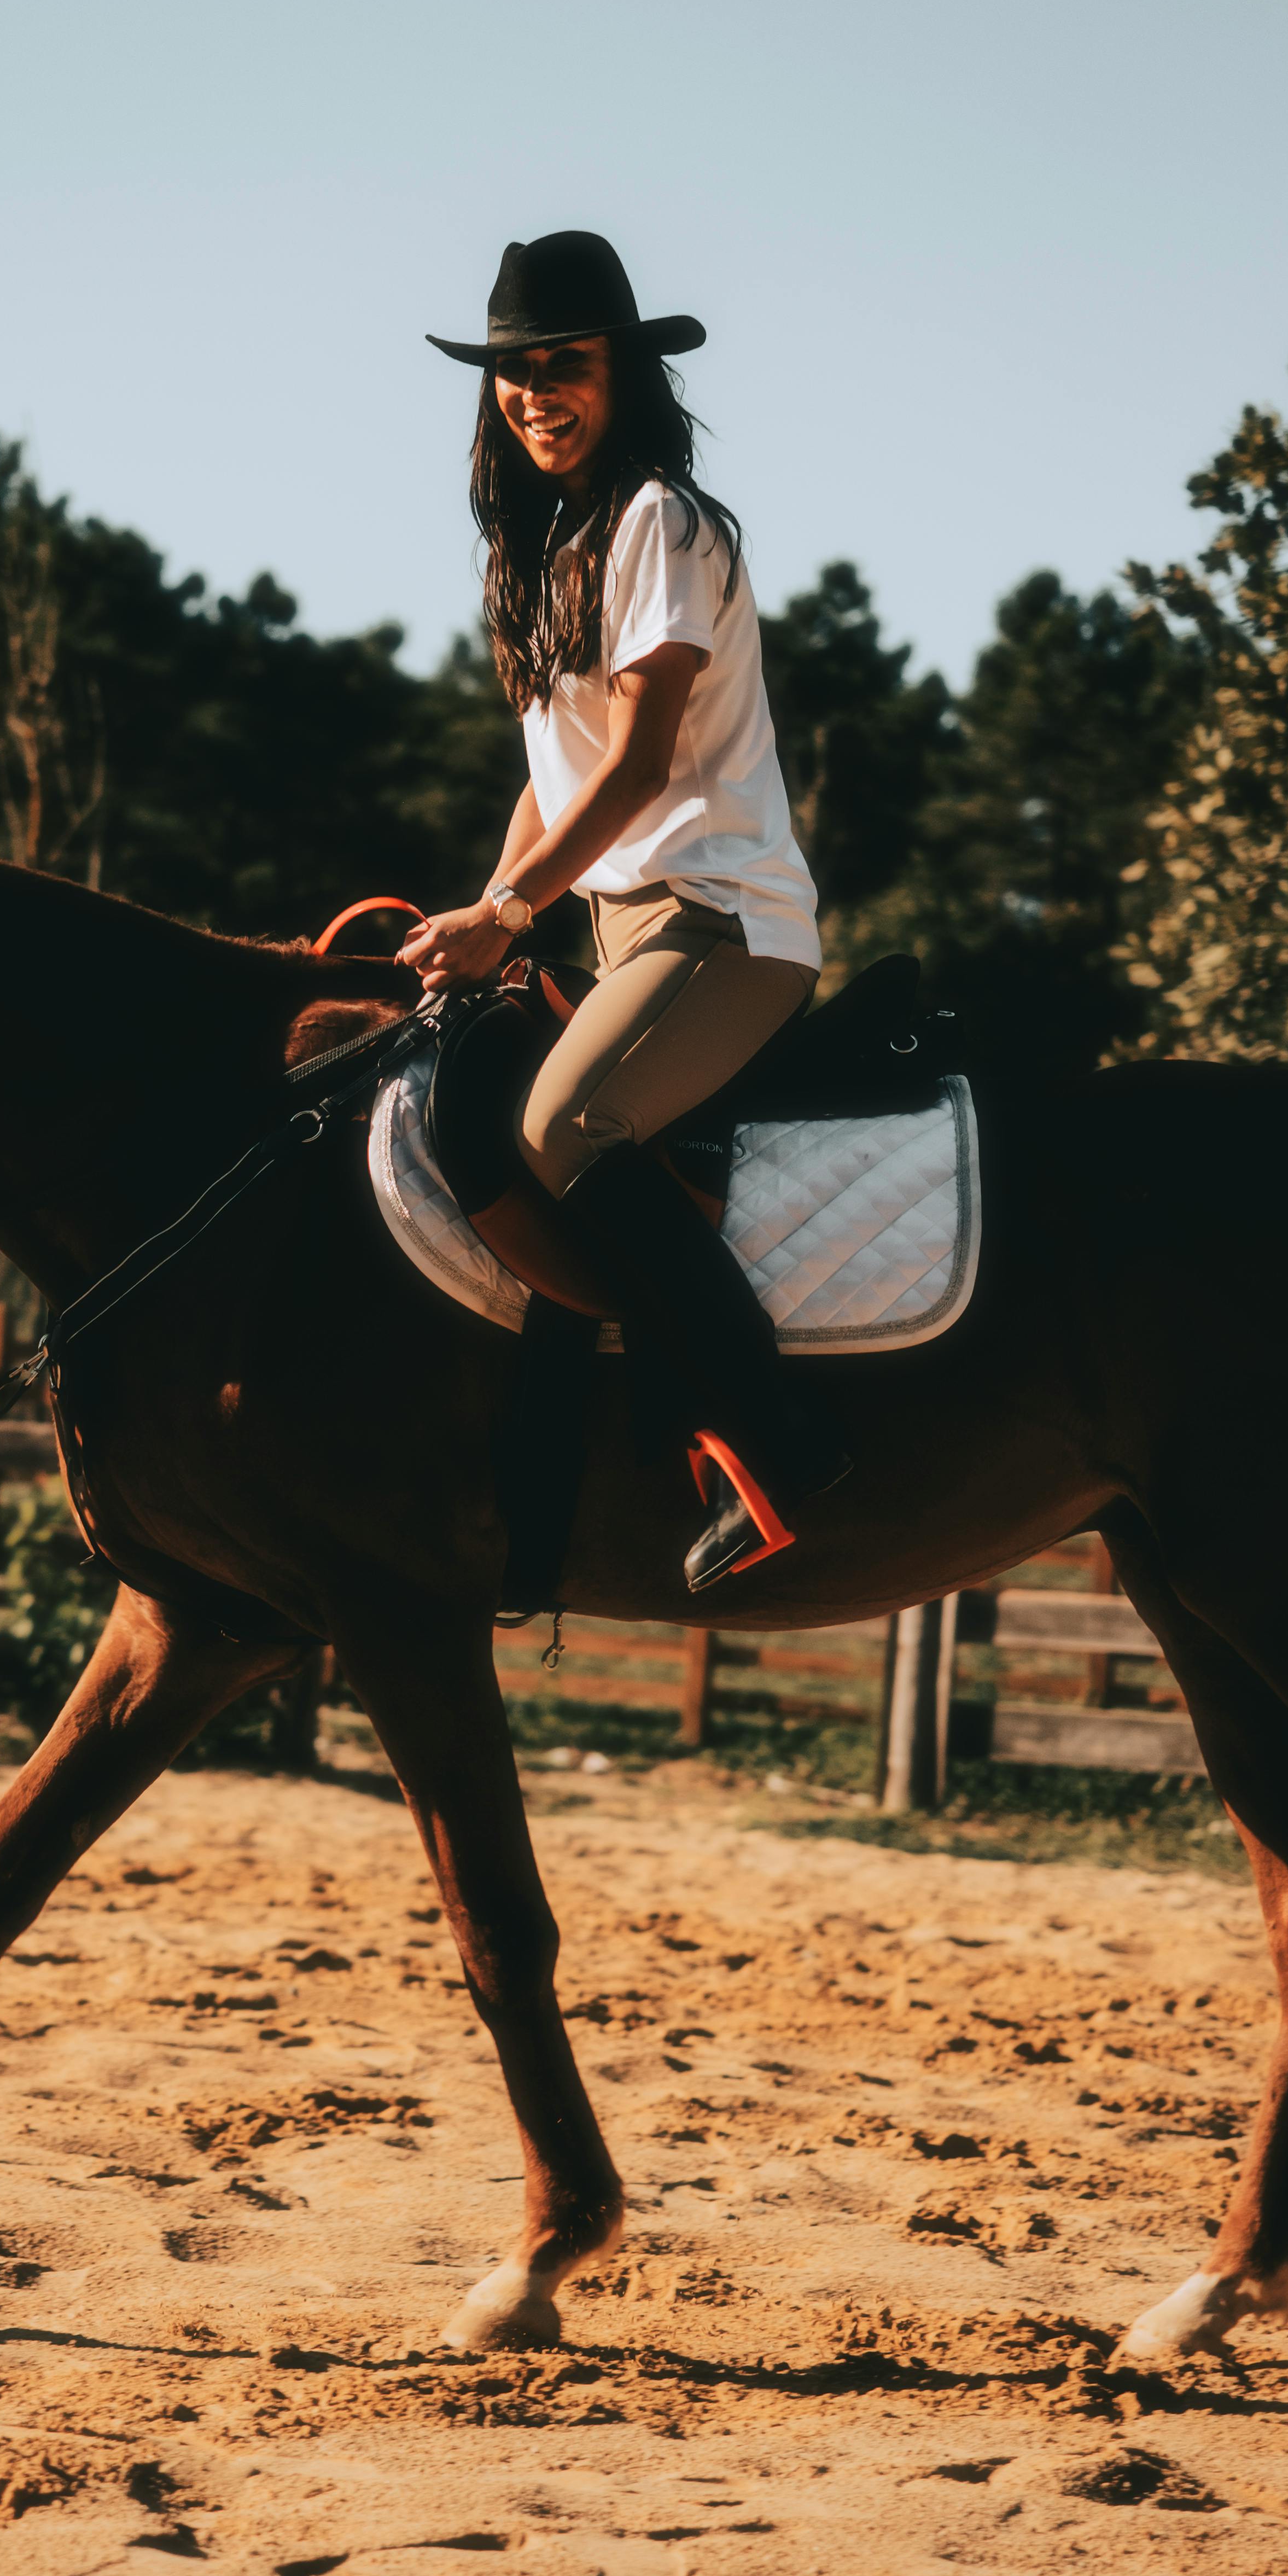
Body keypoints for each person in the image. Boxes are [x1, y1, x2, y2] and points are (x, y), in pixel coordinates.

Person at [402, 229, 852, 1588]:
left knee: (561, 1124)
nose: (535, 390)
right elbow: (550, 786)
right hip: (612, 931)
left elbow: (643, 762)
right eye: (513, 371)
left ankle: (775, 1442)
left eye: (563, 364)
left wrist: (510, 911)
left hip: (720, 923)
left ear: (623, 375)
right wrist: (484, 917)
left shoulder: (659, 521)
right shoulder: (544, 554)